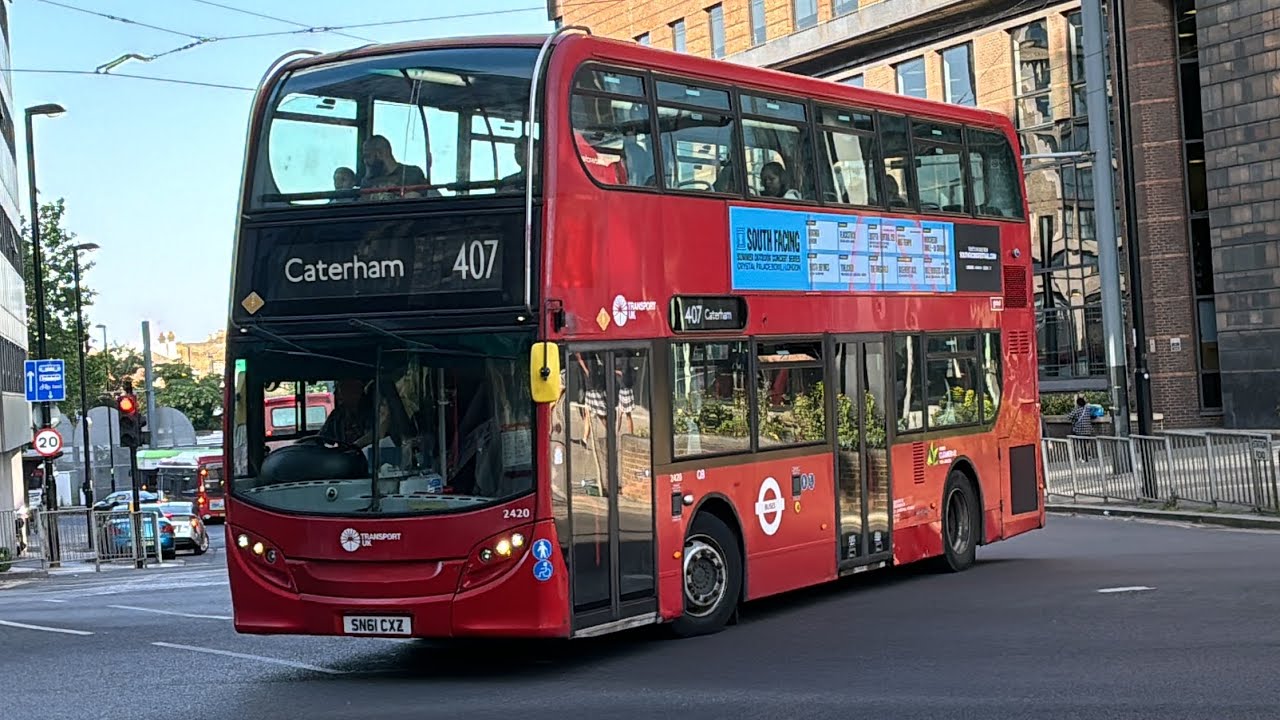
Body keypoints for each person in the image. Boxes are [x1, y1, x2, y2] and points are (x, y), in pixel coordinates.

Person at [360, 135, 433, 200]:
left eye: (367, 156)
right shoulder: (367, 182)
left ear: (380, 153)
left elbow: (432, 197)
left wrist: (416, 197)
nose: (365, 161)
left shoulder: (412, 174)